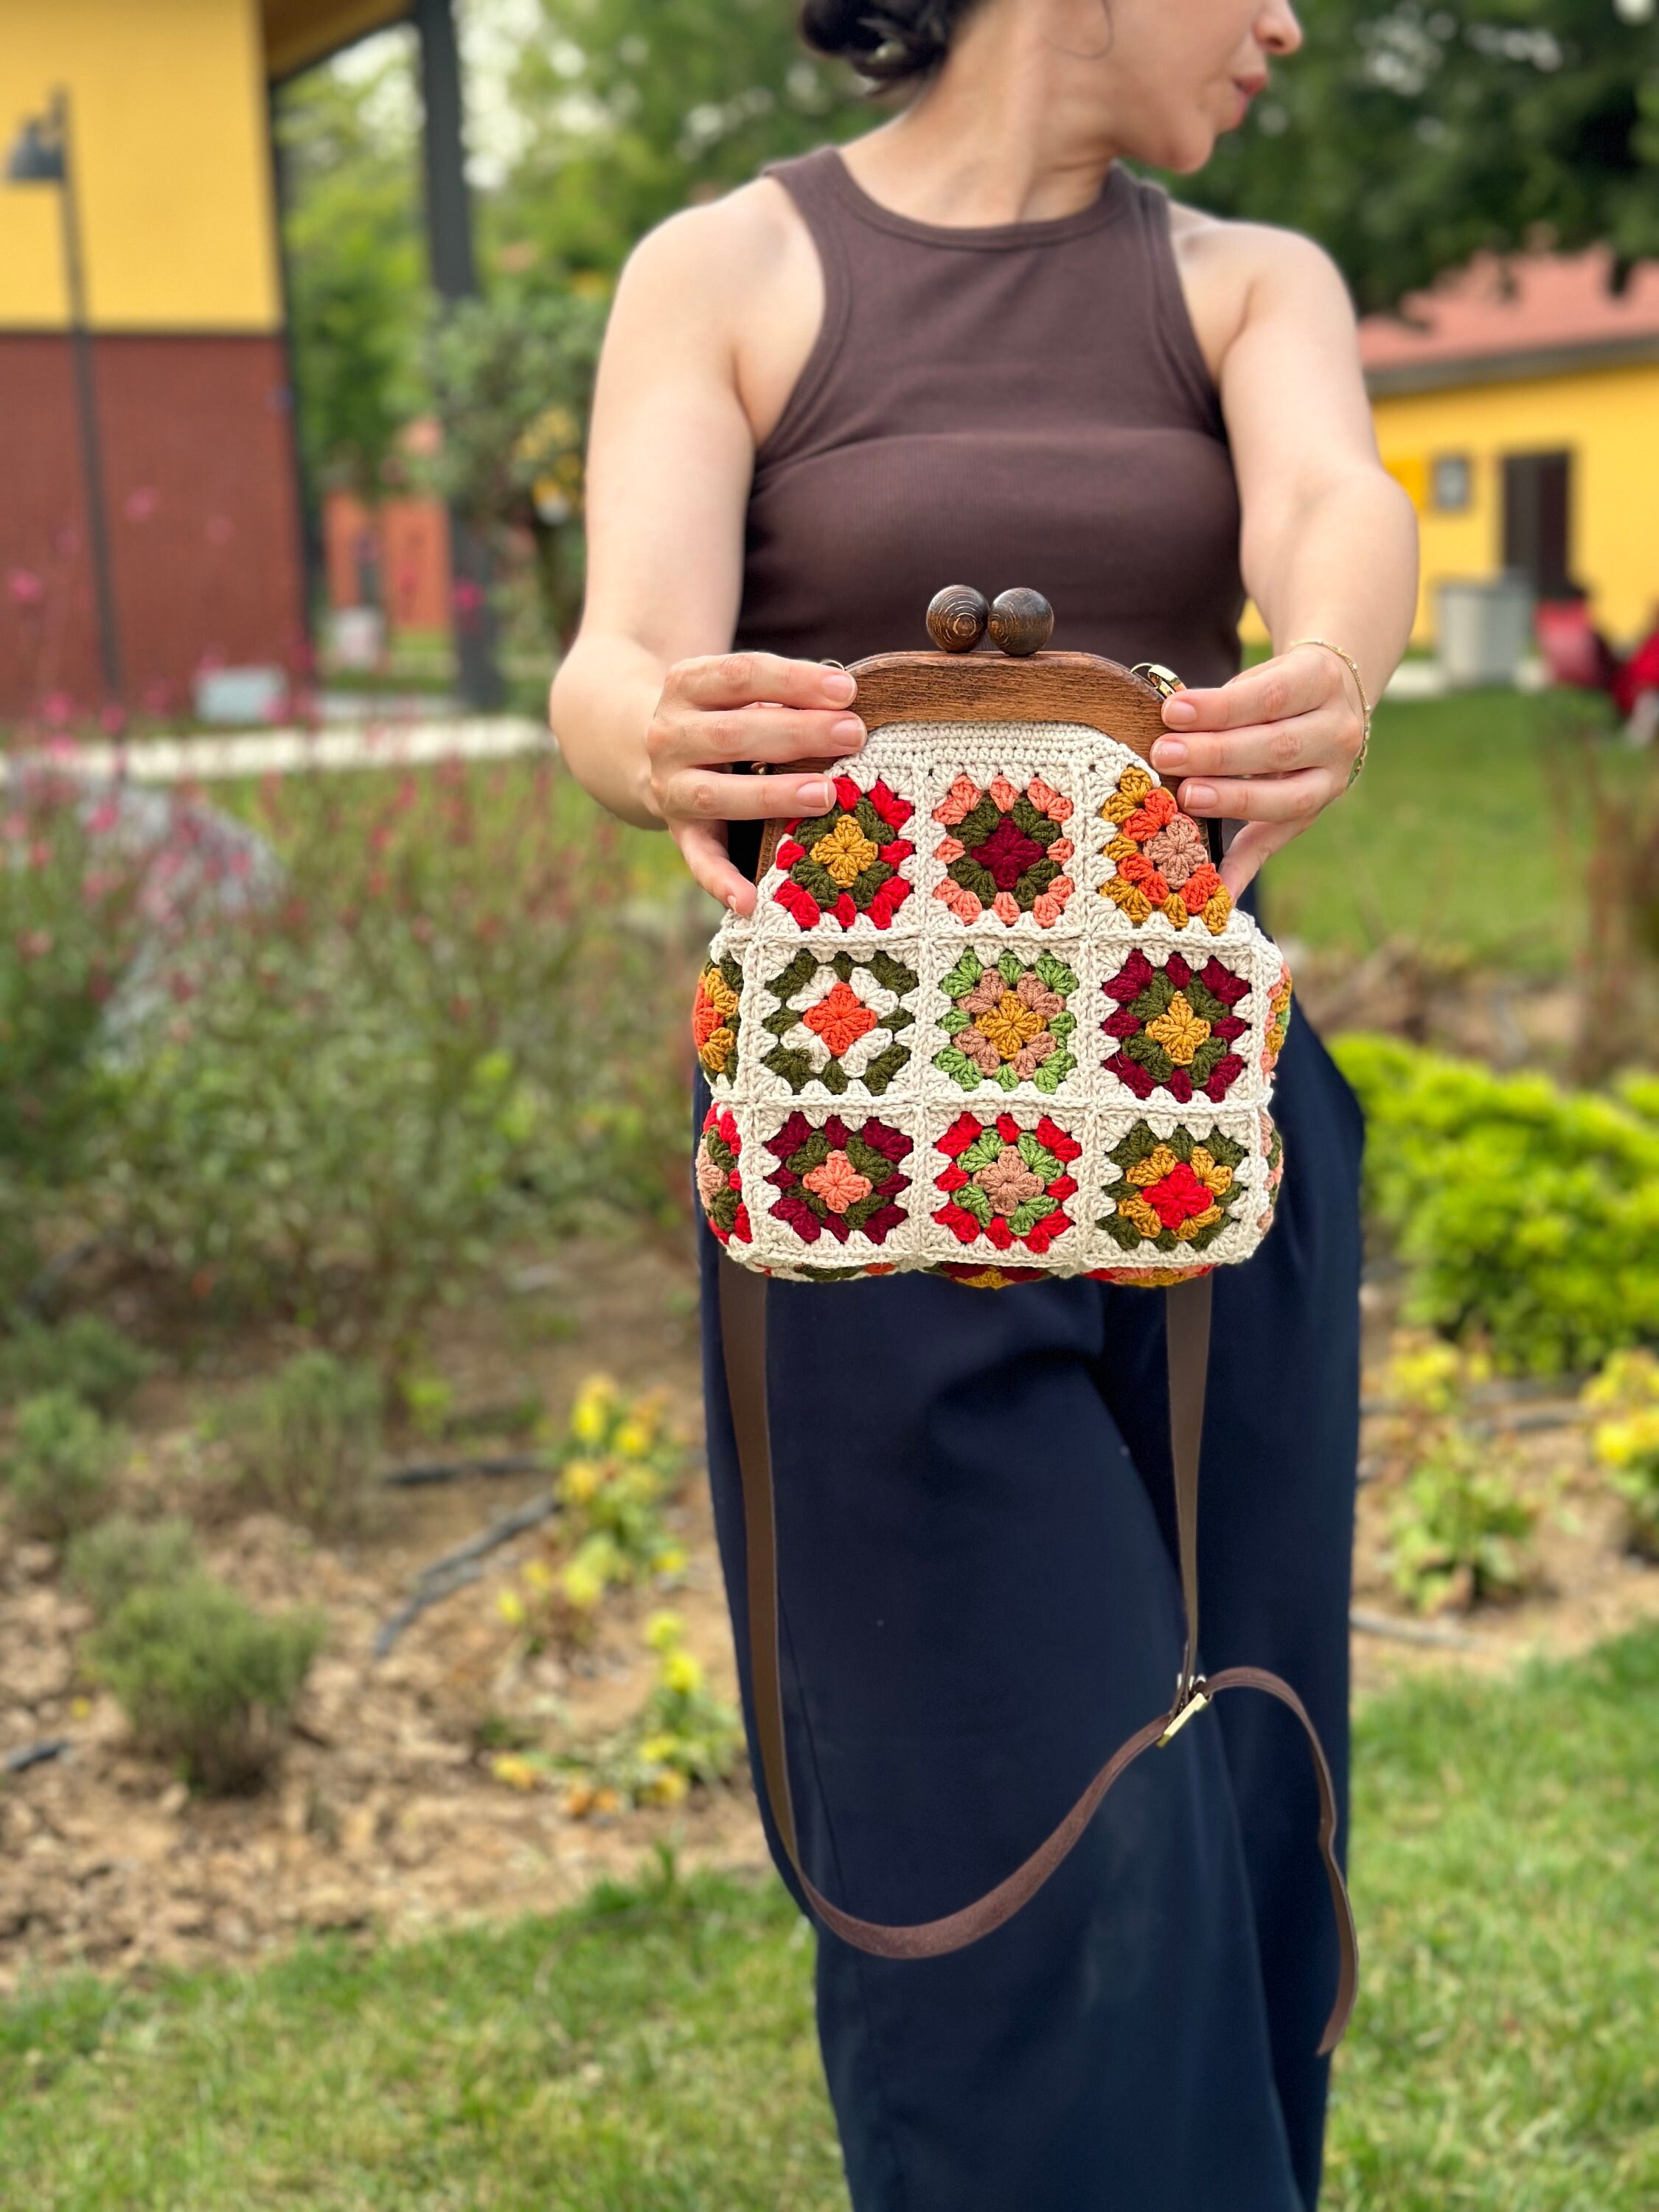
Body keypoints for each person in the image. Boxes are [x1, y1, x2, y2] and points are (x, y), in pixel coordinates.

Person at [552, 1, 1418, 2204]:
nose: (1285, 23)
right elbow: (612, 645)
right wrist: (652, 729)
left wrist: (1325, 666)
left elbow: (1335, 500)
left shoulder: (1247, 283)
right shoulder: (725, 274)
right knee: (982, 1814)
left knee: (1231, 1764)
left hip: (1205, 1147)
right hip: (863, 1163)